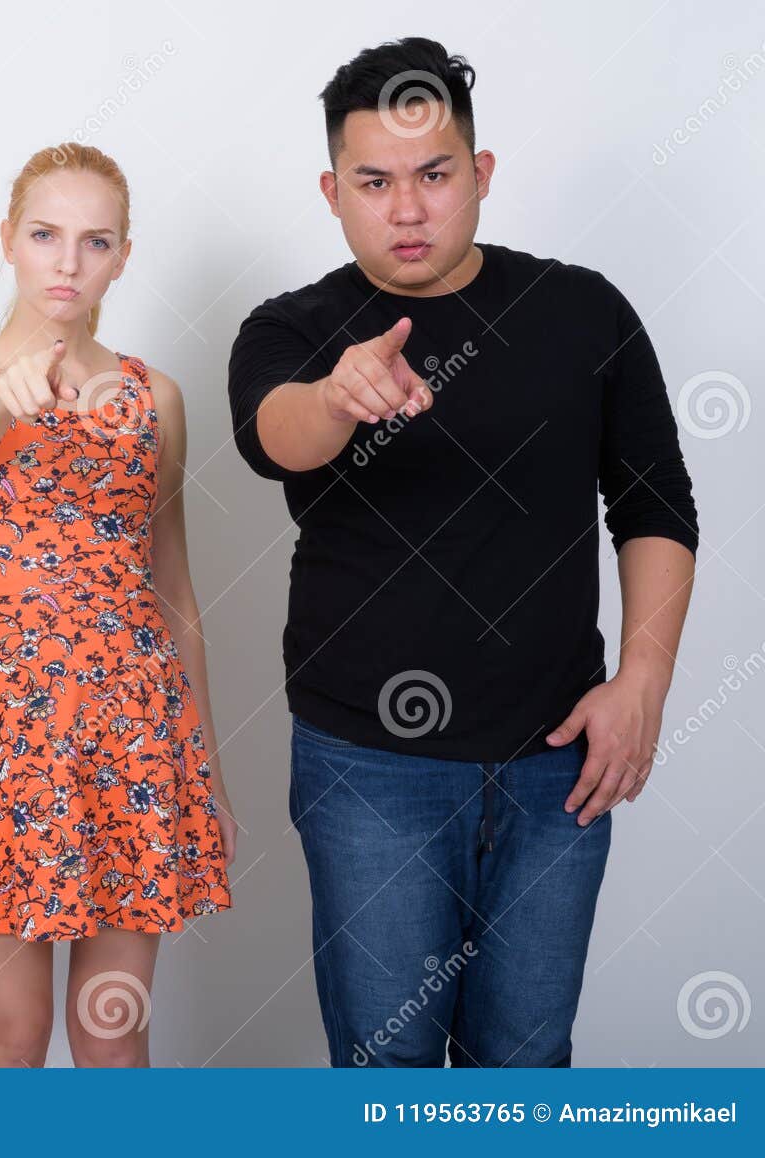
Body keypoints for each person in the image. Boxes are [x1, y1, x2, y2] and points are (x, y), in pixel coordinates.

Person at [228, 38, 698, 1067]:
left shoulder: (581, 312)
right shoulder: (294, 328)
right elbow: (274, 436)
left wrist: (645, 682)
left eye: (433, 175)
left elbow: (656, 503)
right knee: (384, 1075)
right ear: (331, 189)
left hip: (555, 768)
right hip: (369, 770)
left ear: (479, 176)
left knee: (525, 1067)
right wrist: (338, 397)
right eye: (375, 181)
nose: (406, 209)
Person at [0, 143, 236, 1067]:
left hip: (138, 724)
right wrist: (9, 394)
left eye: (95, 241)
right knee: (11, 1034)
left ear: (124, 255)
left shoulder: (154, 396)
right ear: (7, 240)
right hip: (9, 726)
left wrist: (203, 763)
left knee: (113, 1029)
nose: (66, 261)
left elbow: (173, 591)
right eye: (45, 235)